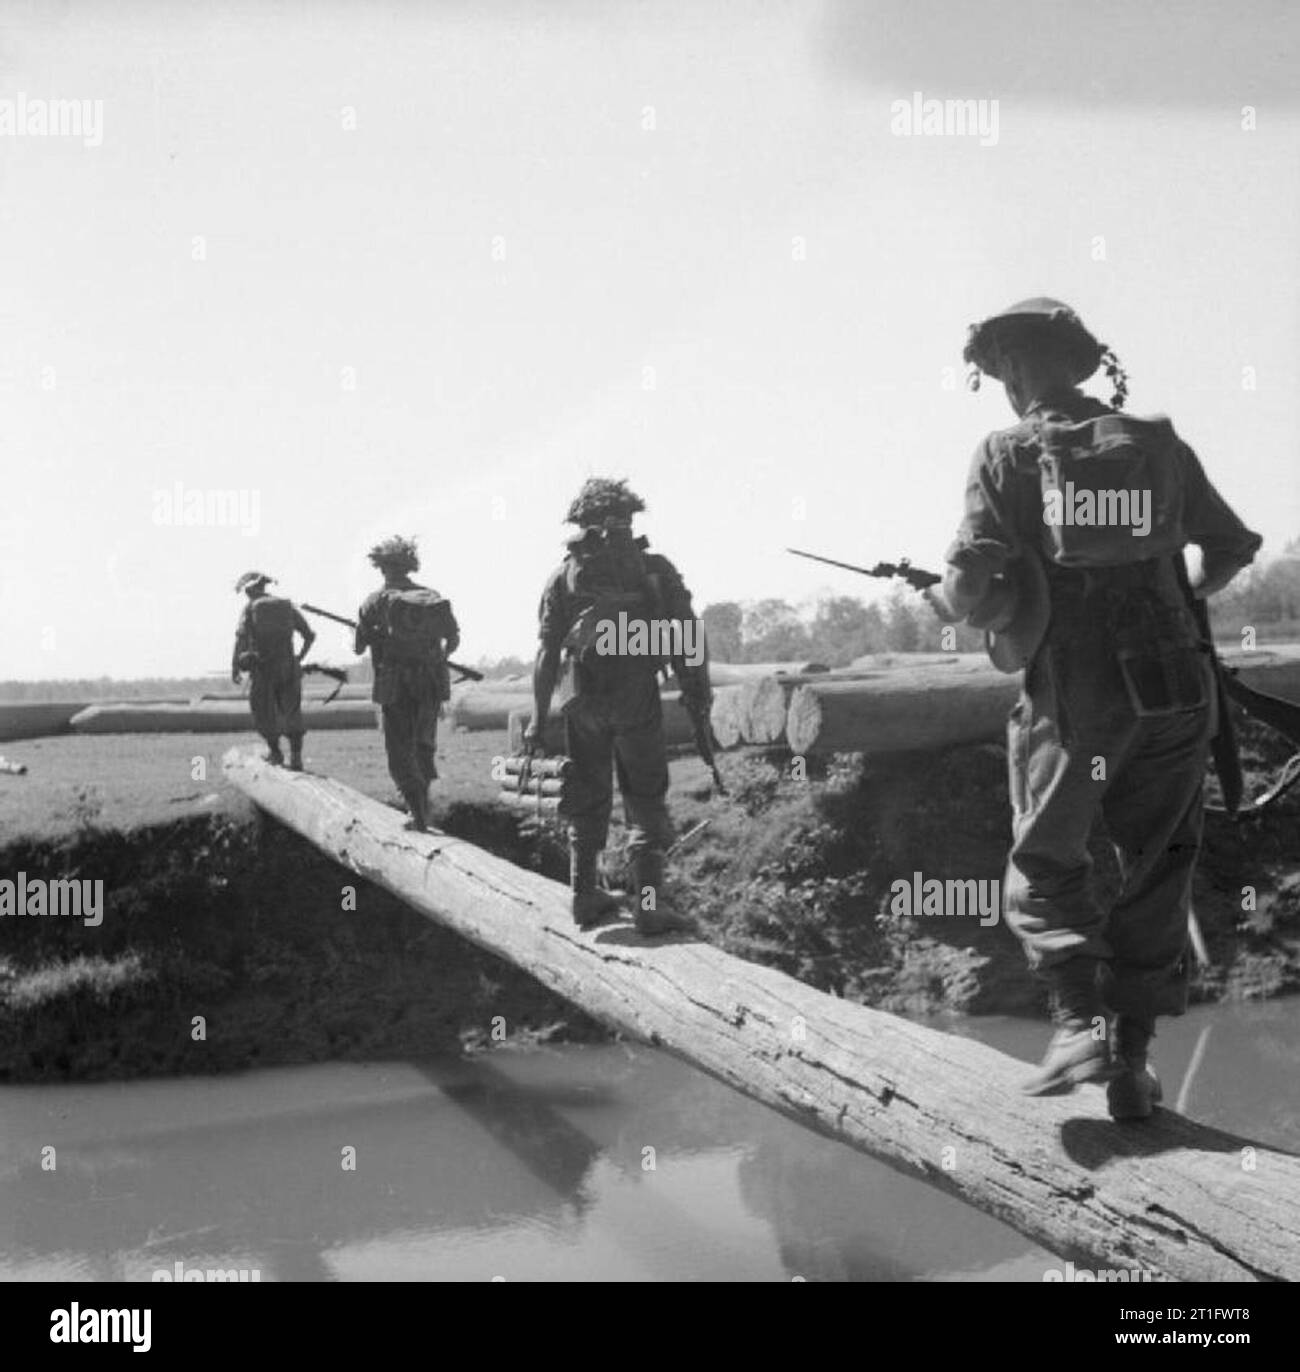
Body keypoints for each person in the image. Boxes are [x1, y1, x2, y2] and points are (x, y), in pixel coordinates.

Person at [929, 298, 1261, 1119]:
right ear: (1080, 364)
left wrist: (952, 603)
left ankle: (1079, 1023)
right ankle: (1135, 1064)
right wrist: (1181, 598)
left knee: (1044, 860)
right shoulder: (1156, 443)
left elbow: (972, 582)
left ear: (1009, 369)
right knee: (1158, 863)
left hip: (1082, 697)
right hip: (1179, 690)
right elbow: (1233, 546)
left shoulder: (1006, 453)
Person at [525, 478, 707, 937]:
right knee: (644, 798)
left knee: (587, 793)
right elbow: (687, 638)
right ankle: (648, 905)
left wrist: (536, 716)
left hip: (578, 695)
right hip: (634, 692)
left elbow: (547, 653)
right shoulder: (654, 569)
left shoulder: (563, 576)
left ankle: (583, 894)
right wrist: (697, 695)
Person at [354, 536, 459, 833]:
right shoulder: (432, 596)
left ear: (382, 567)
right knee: (423, 744)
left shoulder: (374, 601)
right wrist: (436, 658)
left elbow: (358, 648)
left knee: (399, 750)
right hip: (430, 682)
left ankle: (418, 815)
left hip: (395, 684)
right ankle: (422, 810)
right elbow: (453, 639)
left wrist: (372, 635)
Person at [232, 571, 315, 769]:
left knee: (263, 712)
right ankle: (296, 758)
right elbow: (309, 635)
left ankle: (276, 754)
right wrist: (298, 658)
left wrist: (235, 666)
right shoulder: (286, 606)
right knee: (293, 712)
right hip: (289, 669)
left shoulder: (250, 608)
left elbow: (241, 639)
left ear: (249, 590)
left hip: (263, 671)